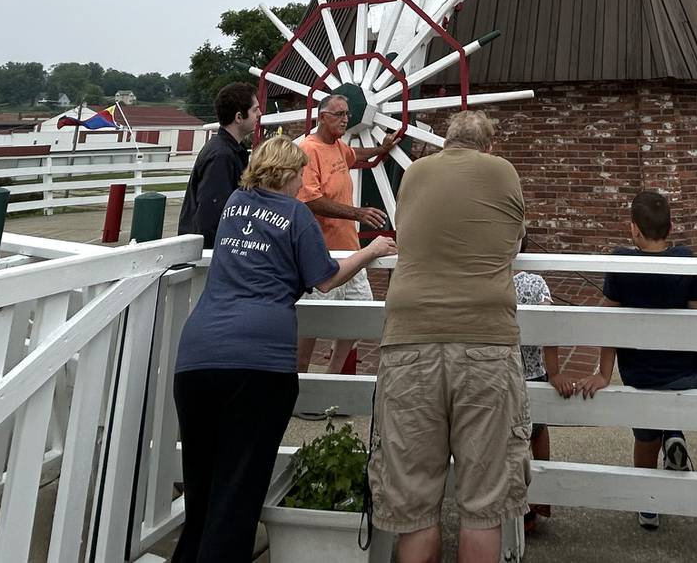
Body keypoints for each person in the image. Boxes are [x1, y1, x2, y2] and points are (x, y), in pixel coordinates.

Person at [171, 134, 394, 563]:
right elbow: (326, 277)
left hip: (197, 357)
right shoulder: (295, 214)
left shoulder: (235, 203)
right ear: (292, 175)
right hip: (258, 364)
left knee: (201, 486)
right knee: (239, 489)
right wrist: (371, 250)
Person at [370, 110, 528, 563]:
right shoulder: (502, 172)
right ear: (489, 146)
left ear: (446, 142)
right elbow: (514, 239)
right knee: (485, 503)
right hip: (485, 341)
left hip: (409, 340)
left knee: (414, 504)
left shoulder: (415, 173)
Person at [562, 190, 697, 530]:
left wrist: (603, 373)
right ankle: (674, 434)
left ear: (633, 229)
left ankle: (648, 505)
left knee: (645, 436)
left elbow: (610, 319)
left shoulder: (621, 261)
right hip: (683, 373)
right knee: (672, 404)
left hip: (639, 374)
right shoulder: (686, 260)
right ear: (671, 226)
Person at [295, 85, 402, 381]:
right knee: (313, 323)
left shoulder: (339, 147)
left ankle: (332, 377)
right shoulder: (308, 150)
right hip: (322, 253)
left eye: (348, 114)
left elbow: (355, 154)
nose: (345, 119)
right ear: (322, 117)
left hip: (350, 251)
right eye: (339, 114)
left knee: (357, 316)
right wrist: (358, 212)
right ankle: (299, 384)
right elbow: (310, 200)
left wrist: (381, 149)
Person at [177, 81, 260, 248]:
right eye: (255, 109)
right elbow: (212, 214)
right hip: (209, 252)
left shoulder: (231, 150)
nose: (260, 113)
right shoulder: (221, 156)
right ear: (238, 117)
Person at [513, 237, 560, 531]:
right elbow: (548, 322)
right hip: (533, 372)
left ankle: (521, 508)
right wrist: (555, 373)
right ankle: (542, 495)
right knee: (537, 433)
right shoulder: (534, 282)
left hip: (500, 374)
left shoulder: (486, 276)